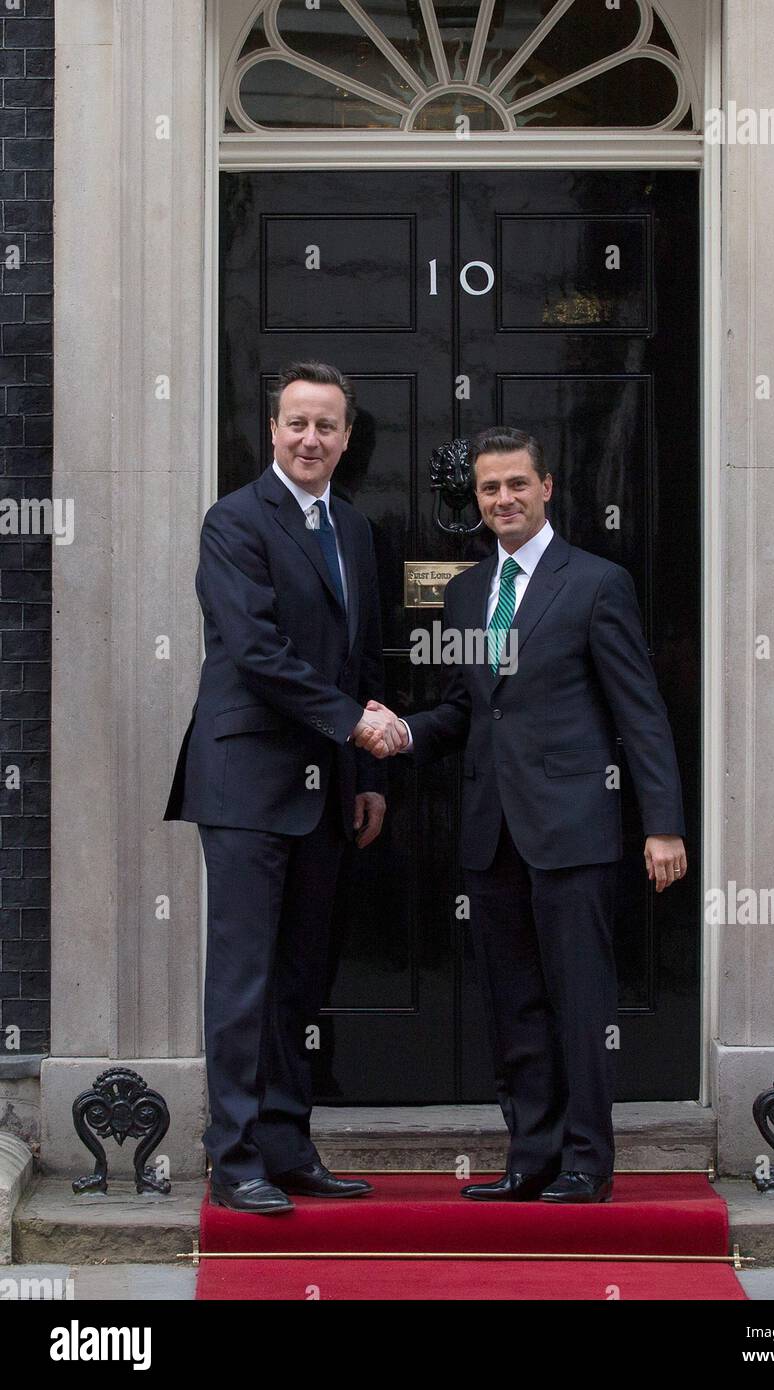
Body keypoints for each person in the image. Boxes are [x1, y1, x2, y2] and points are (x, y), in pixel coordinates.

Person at [358, 426, 687, 1204]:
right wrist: (405, 733)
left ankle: (584, 1162)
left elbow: (639, 713)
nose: (502, 499)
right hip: (490, 831)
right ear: (476, 502)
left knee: (579, 1000)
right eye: (488, 489)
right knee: (514, 1005)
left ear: (544, 489)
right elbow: (470, 710)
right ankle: (530, 1155)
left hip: (573, 827)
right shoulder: (469, 592)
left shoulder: (597, 582)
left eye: (515, 485)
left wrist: (661, 823)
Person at [164, 361, 403, 1215]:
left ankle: (286, 1145)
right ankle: (232, 1161)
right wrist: (352, 724)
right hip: (246, 782)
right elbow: (254, 651)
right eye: (296, 423)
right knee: (243, 980)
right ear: (273, 431)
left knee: (301, 978)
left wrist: (366, 772)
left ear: (346, 438)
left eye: (327, 426)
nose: (310, 439)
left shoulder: (354, 528)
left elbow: (366, 660)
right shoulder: (233, 521)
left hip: (328, 788)